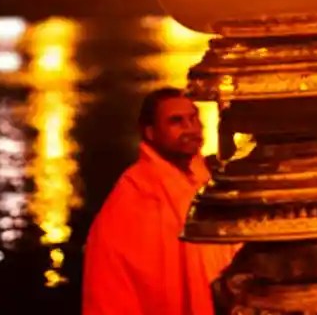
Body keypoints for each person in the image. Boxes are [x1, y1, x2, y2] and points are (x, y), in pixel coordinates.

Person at [83, 87, 239, 315]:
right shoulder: (133, 196)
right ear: (150, 132)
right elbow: (109, 286)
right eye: (176, 121)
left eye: (193, 118)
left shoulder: (209, 181)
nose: (190, 127)